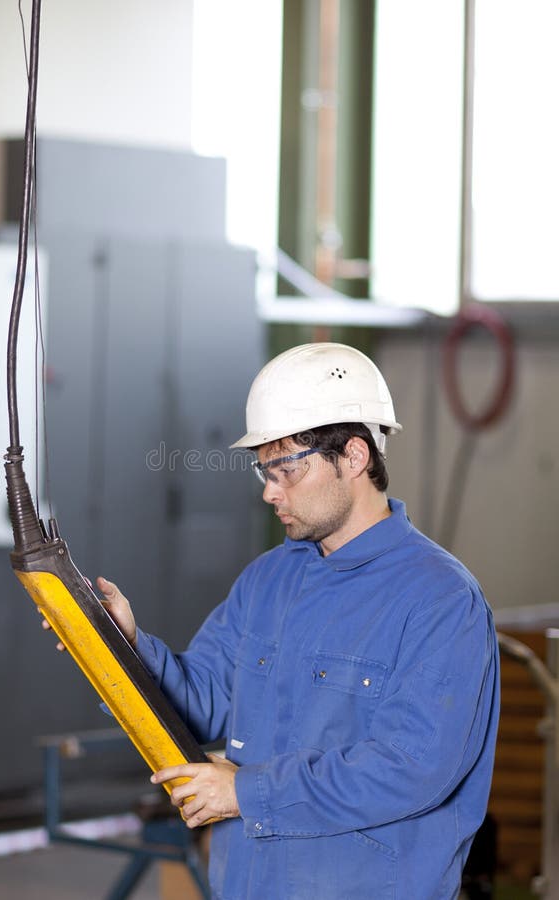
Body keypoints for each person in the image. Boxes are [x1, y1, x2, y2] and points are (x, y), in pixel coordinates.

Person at [93, 343, 501, 898]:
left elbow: (411, 767)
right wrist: (124, 647)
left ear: (354, 457)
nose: (268, 492)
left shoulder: (440, 599)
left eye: (286, 470)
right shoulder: (268, 580)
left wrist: (249, 794)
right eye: (264, 471)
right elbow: (202, 697)